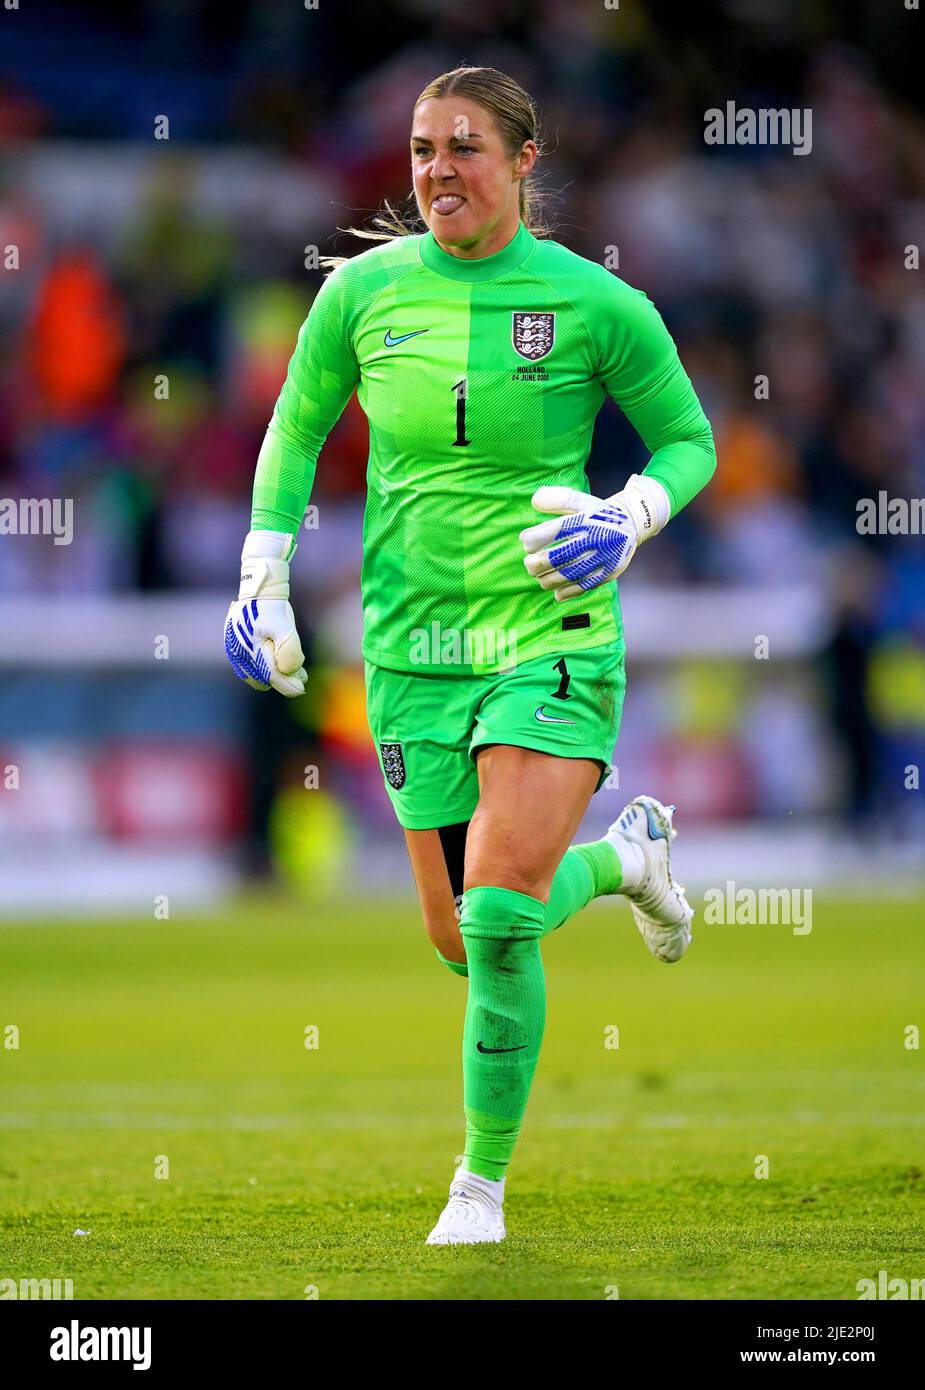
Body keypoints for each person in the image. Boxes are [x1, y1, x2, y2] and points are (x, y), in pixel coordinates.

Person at [224, 65, 716, 1245]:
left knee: (496, 915)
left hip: (547, 630)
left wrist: (629, 515)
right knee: (461, 941)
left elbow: (689, 439)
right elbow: (296, 427)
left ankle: (478, 1186)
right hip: (408, 648)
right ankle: (626, 861)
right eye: (421, 149)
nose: (437, 168)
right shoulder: (360, 293)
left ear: (524, 160)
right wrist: (261, 574)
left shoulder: (597, 303)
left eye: (464, 147)